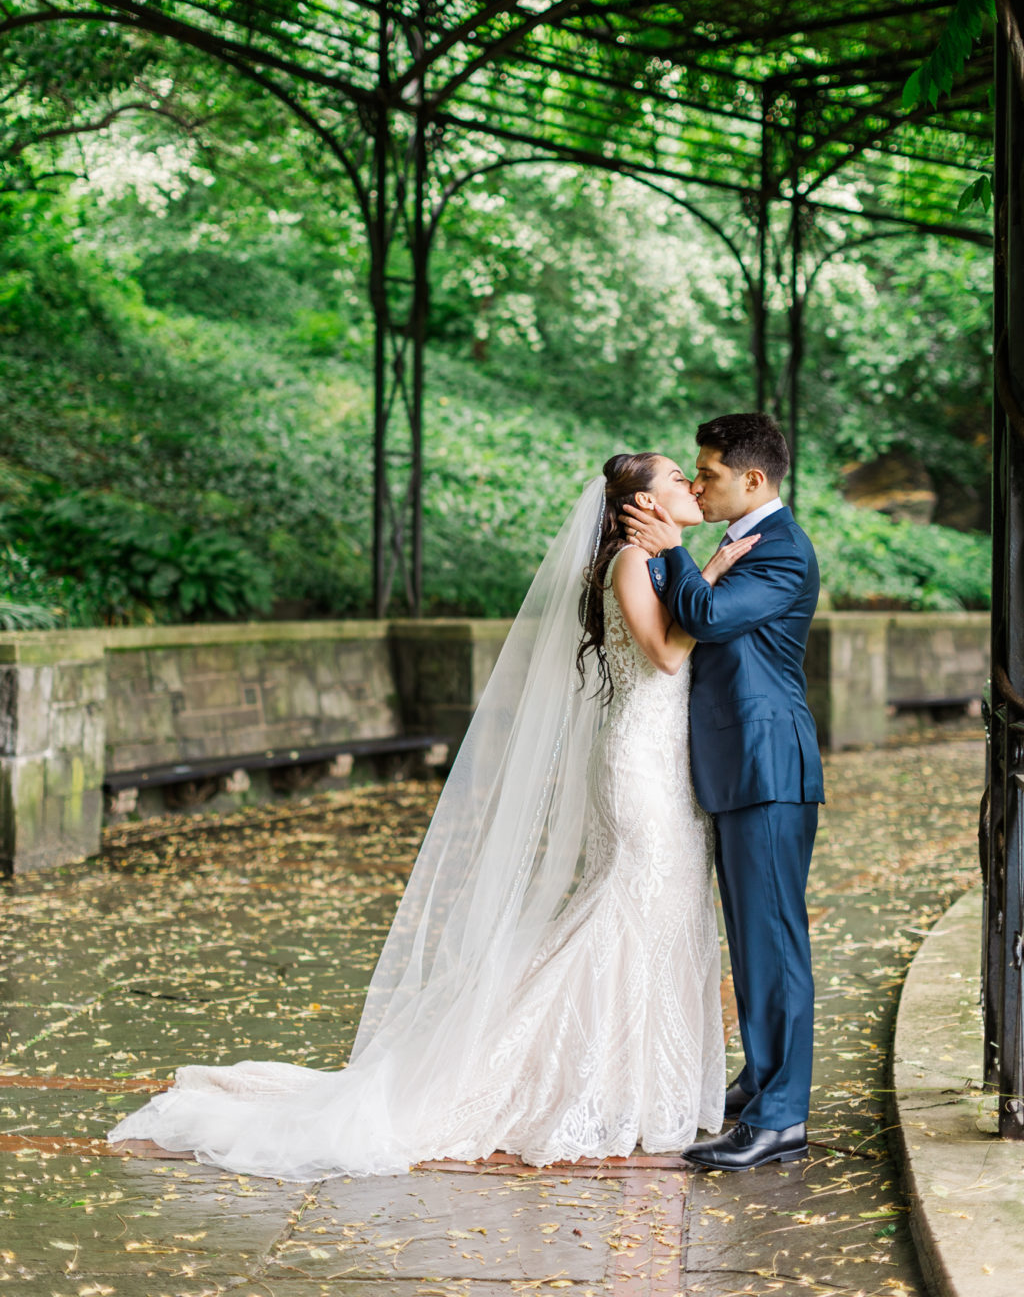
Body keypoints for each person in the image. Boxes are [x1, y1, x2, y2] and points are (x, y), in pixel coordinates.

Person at [108, 454, 754, 1180]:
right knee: (628, 912)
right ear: (641, 503)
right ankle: (540, 1075)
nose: (691, 487)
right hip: (637, 764)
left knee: (663, 915)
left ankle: (629, 1085)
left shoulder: (666, 561)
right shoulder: (634, 564)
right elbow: (667, 657)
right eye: (676, 477)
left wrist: (699, 570)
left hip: (669, 766)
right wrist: (719, 576)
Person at [622, 413, 823, 1172]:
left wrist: (673, 556)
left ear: (753, 480)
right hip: (741, 766)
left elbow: (702, 619)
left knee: (774, 944)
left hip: (769, 767)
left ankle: (781, 1119)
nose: (698, 485)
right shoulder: (746, 541)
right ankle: (762, 1081)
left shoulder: (783, 554)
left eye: (706, 474)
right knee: (751, 942)